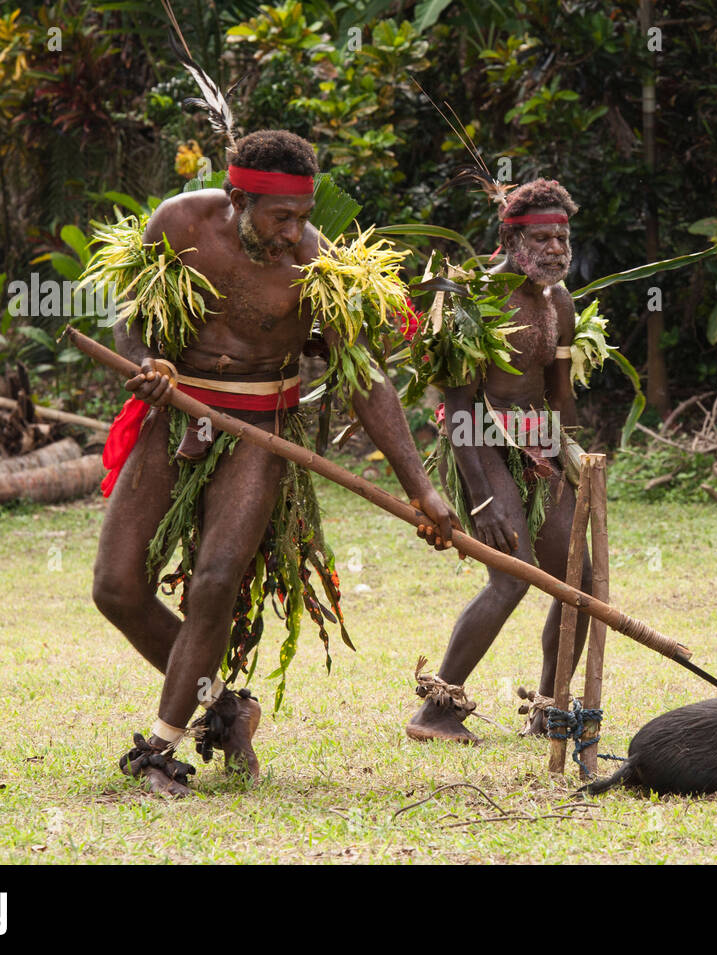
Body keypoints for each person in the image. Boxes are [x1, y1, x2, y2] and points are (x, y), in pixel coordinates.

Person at [92, 129, 456, 795]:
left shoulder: (318, 269)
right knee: (115, 587)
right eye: (280, 217)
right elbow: (132, 318)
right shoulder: (178, 224)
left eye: (304, 216)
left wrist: (423, 489)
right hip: (174, 417)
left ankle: (163, 750)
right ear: (236, 199)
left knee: (216, 579)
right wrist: (146, 362)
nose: (295, 233)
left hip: (259, 429)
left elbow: (365, 379)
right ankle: (226, 710)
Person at [405, 179, 589, 744]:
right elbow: (456, 406)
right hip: (481, 441)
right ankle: (437, 709)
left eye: (563, 237)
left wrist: (574, 458)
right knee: (511, 577)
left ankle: (549, 709)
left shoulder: (559, 301)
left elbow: (560, 394)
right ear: (511, 239)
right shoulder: (473, 300)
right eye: (543, 238)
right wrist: (482, 496)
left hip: (541, 445)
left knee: (582, 586)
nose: (557, 248)